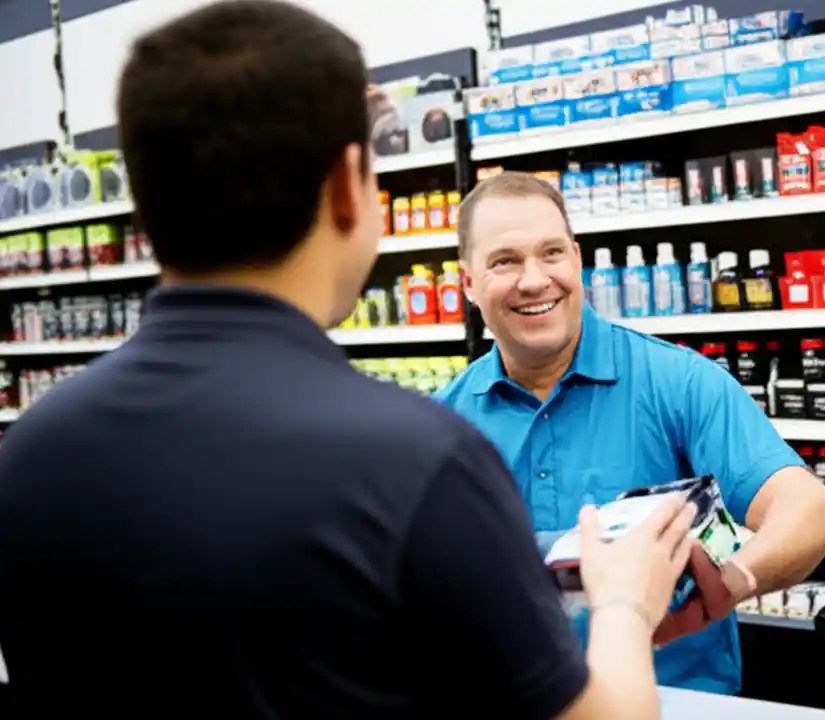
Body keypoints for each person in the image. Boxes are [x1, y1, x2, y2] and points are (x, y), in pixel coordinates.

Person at [0, 3, 699, 719]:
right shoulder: (416, 459)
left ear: (143, 208)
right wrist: (622, 604)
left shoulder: (31, 456)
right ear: (347, 184)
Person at [435, 171, 825, 695]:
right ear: (468, 283)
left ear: (577, 260)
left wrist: (729, 582)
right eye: (505, 260)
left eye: (551, 253)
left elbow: (812, 514)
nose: (535, 279)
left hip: (677, 703)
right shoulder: (440, 426)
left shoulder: (677, 382)